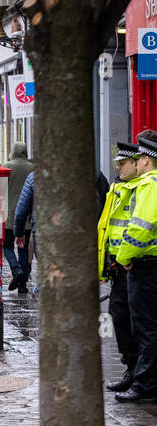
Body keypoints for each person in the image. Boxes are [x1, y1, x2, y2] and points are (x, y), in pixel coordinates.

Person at [115, 132, 157, 402]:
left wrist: (123, 257)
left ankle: (146, 386)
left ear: (145, 160)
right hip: (148, 264)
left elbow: (141, 229)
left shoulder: (150, 184)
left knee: (146, 328)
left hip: (145, 265)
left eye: (140, 158)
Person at [98, 142, 142, 394]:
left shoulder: (142, 188)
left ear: (137, 163)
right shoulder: (117, 188)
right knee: (119, 316)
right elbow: (107, 227)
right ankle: (132, 368)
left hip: (133, 261)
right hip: (118, 264)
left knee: (137, 321)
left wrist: (125, 256)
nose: (118, 167)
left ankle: (139, 373)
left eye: (123, 163)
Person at [4, 142, 33, 293]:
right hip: (27, 217)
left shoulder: (6, 166)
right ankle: (23, 286)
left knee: (7, 246)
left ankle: (16, 271)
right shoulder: (32, 168)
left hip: (9, 216)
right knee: (23, 249)